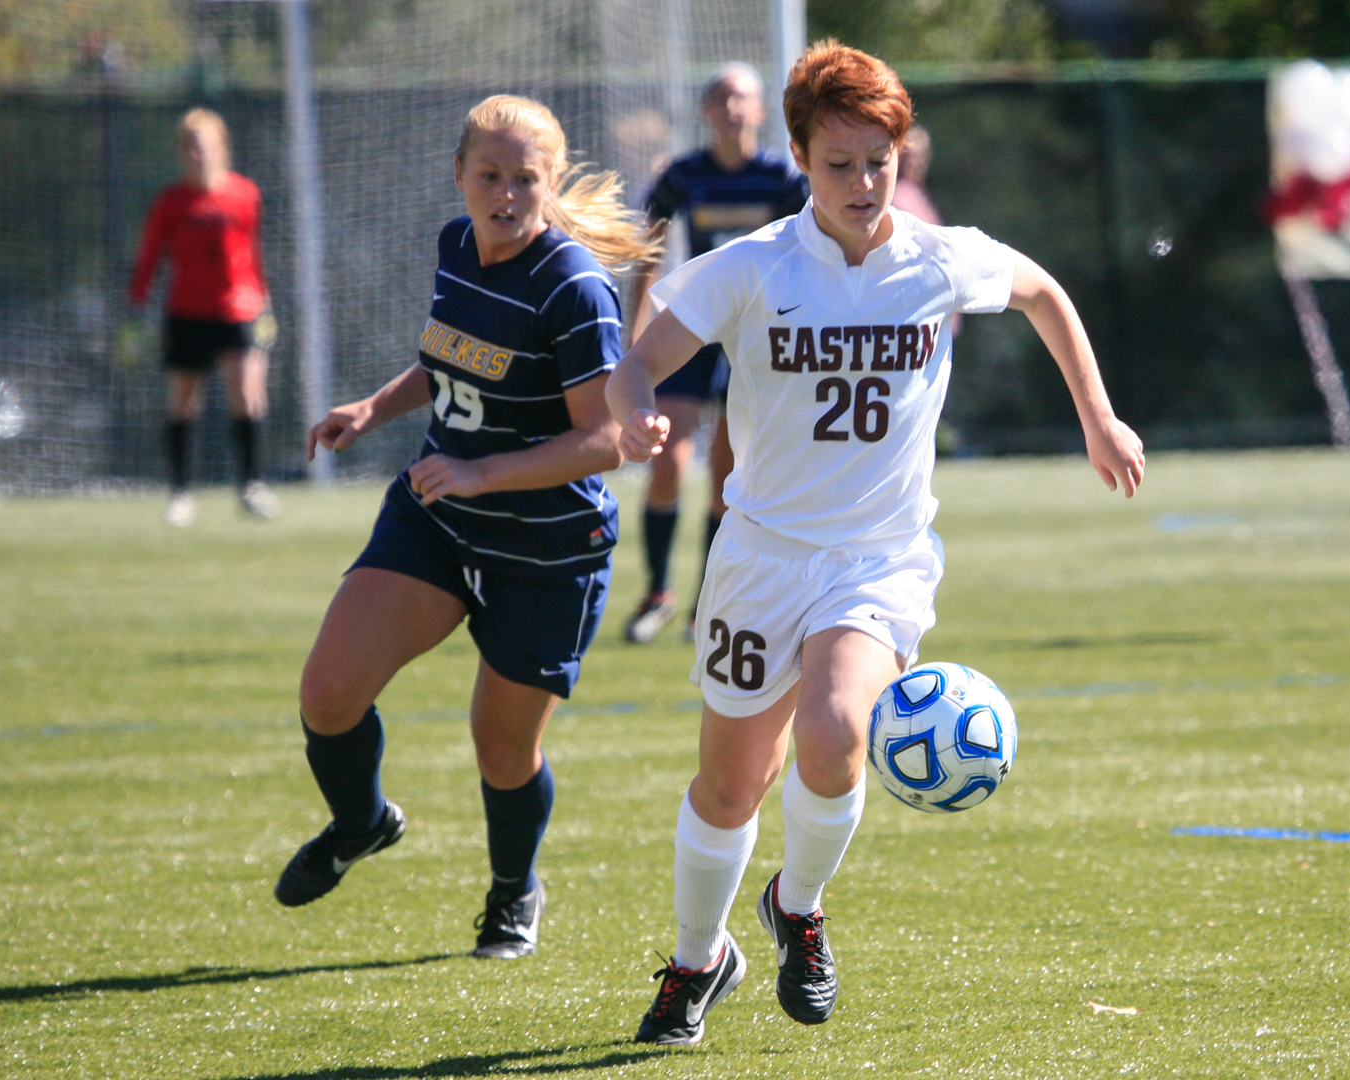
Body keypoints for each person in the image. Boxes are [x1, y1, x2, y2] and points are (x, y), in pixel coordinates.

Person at [605, 41, 1146, 1046]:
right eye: (841, 162)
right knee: (730, 785)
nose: (863, 182)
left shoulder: (938, 258)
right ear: (801, 160)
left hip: (877, 559)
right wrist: (638, 414)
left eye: (880, 160)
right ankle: (698, 959)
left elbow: (1041, 293)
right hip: (758, 556)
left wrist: (1098, 417)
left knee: (835, 730)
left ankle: (799, 910)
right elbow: (641, 364)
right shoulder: (754, 268)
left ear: (904, 156)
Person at [275, 96, 658, 960]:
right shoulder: (456, 244)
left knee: (502, 750)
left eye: (527, 179)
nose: (507, 194)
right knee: (328, 695)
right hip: (441, 515)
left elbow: (603, 441)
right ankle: (360, 822)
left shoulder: (572, 287)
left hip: (547, 549)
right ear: (460, 176)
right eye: (490, 175)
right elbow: (449, 353)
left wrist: (483, 471)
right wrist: (373, 408)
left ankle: (514, 890)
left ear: (550, 185)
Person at [621, 62, 810, 645]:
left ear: (760, 111)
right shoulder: (683, 176)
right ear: (707, 110)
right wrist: (637, 328)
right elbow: (648, 250)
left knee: (728, 477)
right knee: (668, 462)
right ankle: (657, 593)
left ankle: (707, 603)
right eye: (723, 97)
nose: (732, 107)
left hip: (755, 340)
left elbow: (808, 252)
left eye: (743, 98)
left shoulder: (782, 177)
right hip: (698, 332)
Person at [128, 108, 276, 526]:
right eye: (190, 146)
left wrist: (264, 302)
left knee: (247, 394)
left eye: (205, 144)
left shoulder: (245, 194)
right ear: (181, 152)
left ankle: (252, 486)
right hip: (186, 311)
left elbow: (252, 253)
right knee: (183, 403)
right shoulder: (170, 203)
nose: (198, 153)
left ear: (221, 148)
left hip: (239, 309)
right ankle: (180, 494)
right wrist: (134, 309)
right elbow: (149, 258)